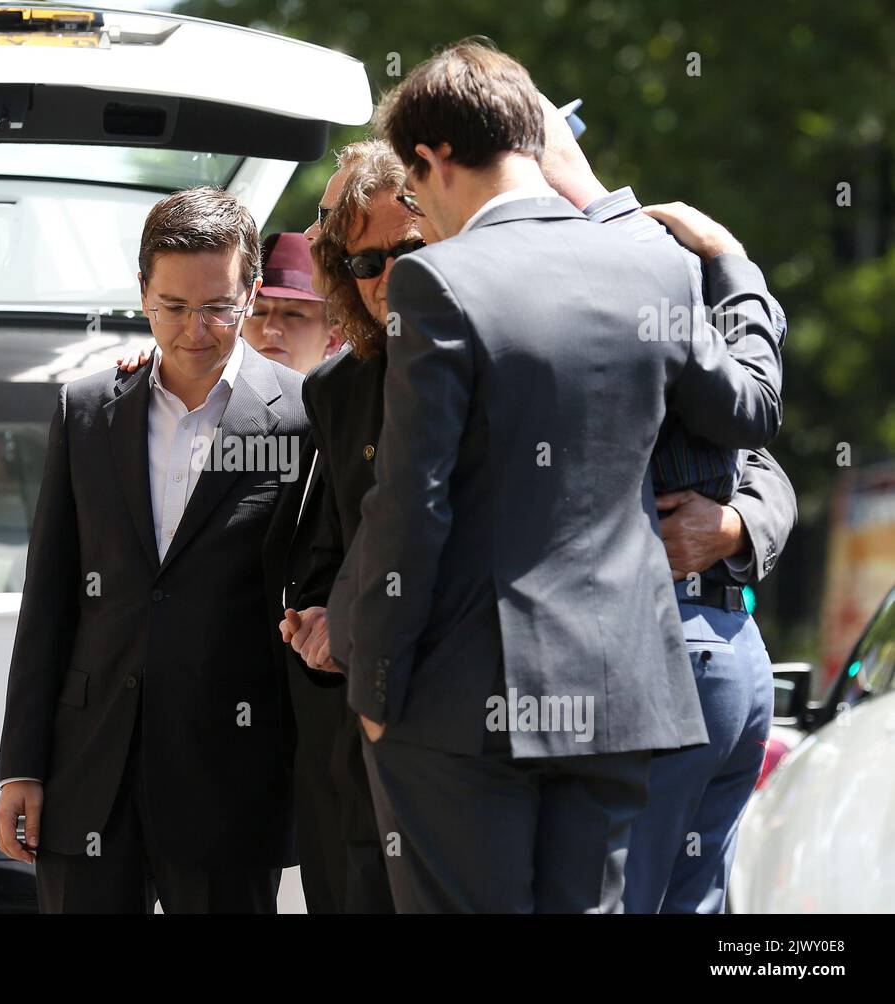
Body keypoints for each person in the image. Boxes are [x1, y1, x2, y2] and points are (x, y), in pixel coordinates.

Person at [325, 39, 784, 912]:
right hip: (621, 696)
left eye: (415, 189)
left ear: (434, 157)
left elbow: (411, 508)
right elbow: (752, 410)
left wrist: (375, 685)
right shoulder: (656, 264)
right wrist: (734, 265)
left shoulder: (439, 281)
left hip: (466, 701)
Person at [0, 187, 309, 913]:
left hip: (231, 783)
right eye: (172, 306)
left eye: (218, 307)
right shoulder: (86, 411)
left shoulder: (302, 416)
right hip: (88, 775)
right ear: (141, 294)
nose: (194, 329)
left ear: (252, 292)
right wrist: (22, 768)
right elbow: (50, 598)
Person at [535, 105, 798, 912]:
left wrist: (737, 528)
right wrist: (734, 264)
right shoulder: (654, 263)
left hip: (686, 651)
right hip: (694, 654)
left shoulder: (610, 266)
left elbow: (757, 442)